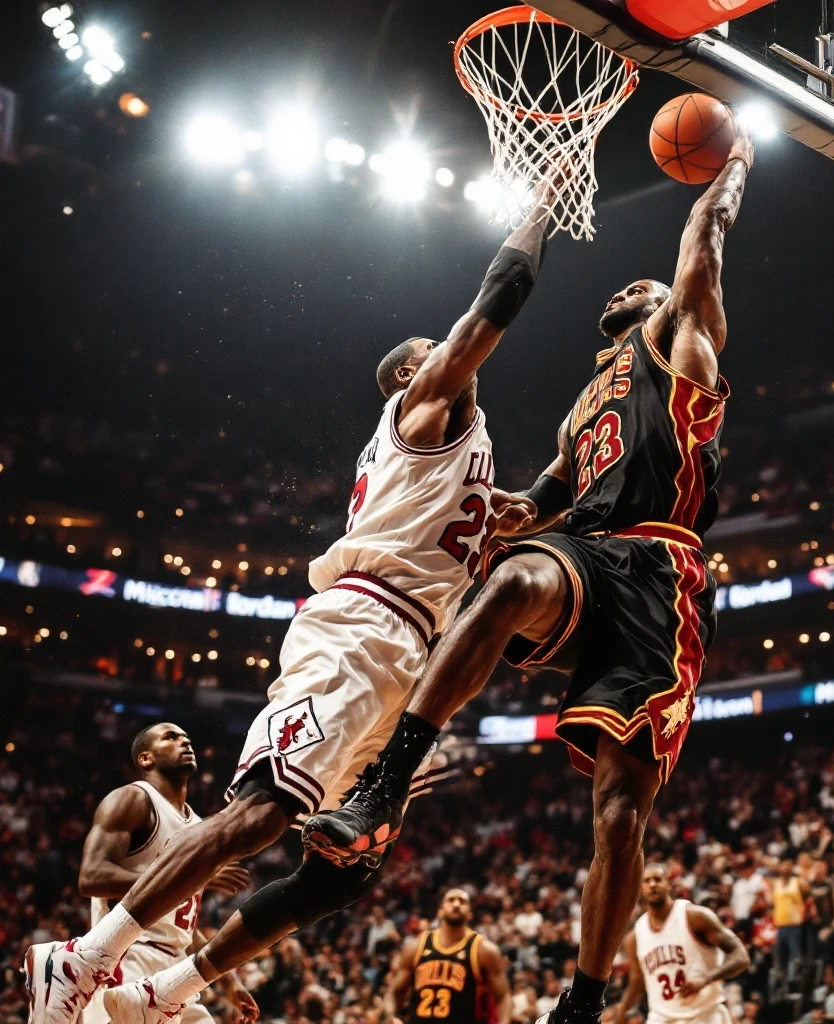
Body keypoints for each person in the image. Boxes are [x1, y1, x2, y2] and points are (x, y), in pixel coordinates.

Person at [25, 189, 554, 1024]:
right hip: (360, 631)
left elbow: (524, 509)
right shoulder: (420, 411)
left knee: (350, 868)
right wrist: (542, 207)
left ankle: (160, 995)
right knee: (259, 815)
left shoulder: (466, 460)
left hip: (411, 655)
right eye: (433, 345)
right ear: (412, 374)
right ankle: (82, 959)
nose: (446, 346)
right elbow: (498, 301)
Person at [303, 123, 755, 1024]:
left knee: (622, 809)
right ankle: (382, 787)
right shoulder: (584, 402)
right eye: (631, 285)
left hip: (661, 569)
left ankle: (584, 1000)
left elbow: (706, 229)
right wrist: (509, 507)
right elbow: (545, 494)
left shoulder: (686, 333)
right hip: (588, 551)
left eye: (645, 281)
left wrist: (735, 154)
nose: (635, 283)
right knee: (508, 582)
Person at [70, 724, 256, 1024]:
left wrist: (228, 982)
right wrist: (192, 880)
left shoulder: (198, 826)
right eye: (171, 738)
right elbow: (91, 877)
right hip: (128, 959)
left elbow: (181, 925)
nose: (184, 742)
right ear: (146, 759)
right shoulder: (132, 800)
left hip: (176, 968)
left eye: (187, 738)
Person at [613, 864, 750, 1024]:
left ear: (668, 884)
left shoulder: (695, 917)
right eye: (646, 881)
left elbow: (741, 957)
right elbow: (637, 980)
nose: (652, 884)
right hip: (662, 1017)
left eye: (657, 879)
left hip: (704, 1014)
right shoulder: (635, 937)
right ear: (640, 889)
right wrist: (621, 1013)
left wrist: (706, 979)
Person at [384, 889, 511, 1024]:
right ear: (439, 912)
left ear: (470, 914)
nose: (456, 904)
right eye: (451, 900)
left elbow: (503, 997)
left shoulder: (484, 951)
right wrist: (391, 1017)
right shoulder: (415, 948)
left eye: (462, 902)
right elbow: (394, 992)